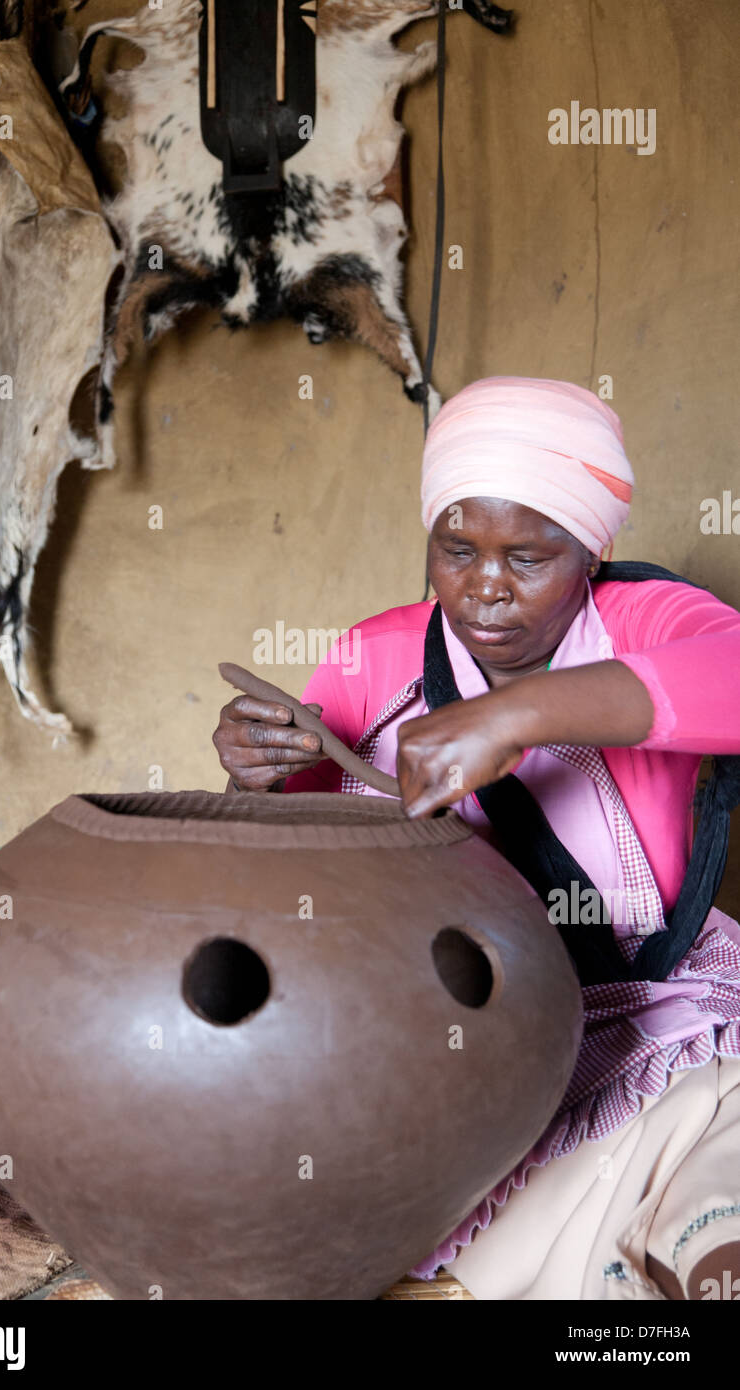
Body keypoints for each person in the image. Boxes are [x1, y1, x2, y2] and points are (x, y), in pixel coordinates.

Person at [212, 376, 740, 1301]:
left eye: (529, 558)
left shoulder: (646, 620)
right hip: (440, 1030)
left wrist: (518, 716)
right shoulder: (378, 655)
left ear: (590, 551)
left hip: (638, 1001)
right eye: (456, 550)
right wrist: (252, 774)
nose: (486, 589)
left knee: (701, 1131)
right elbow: (284, 864)